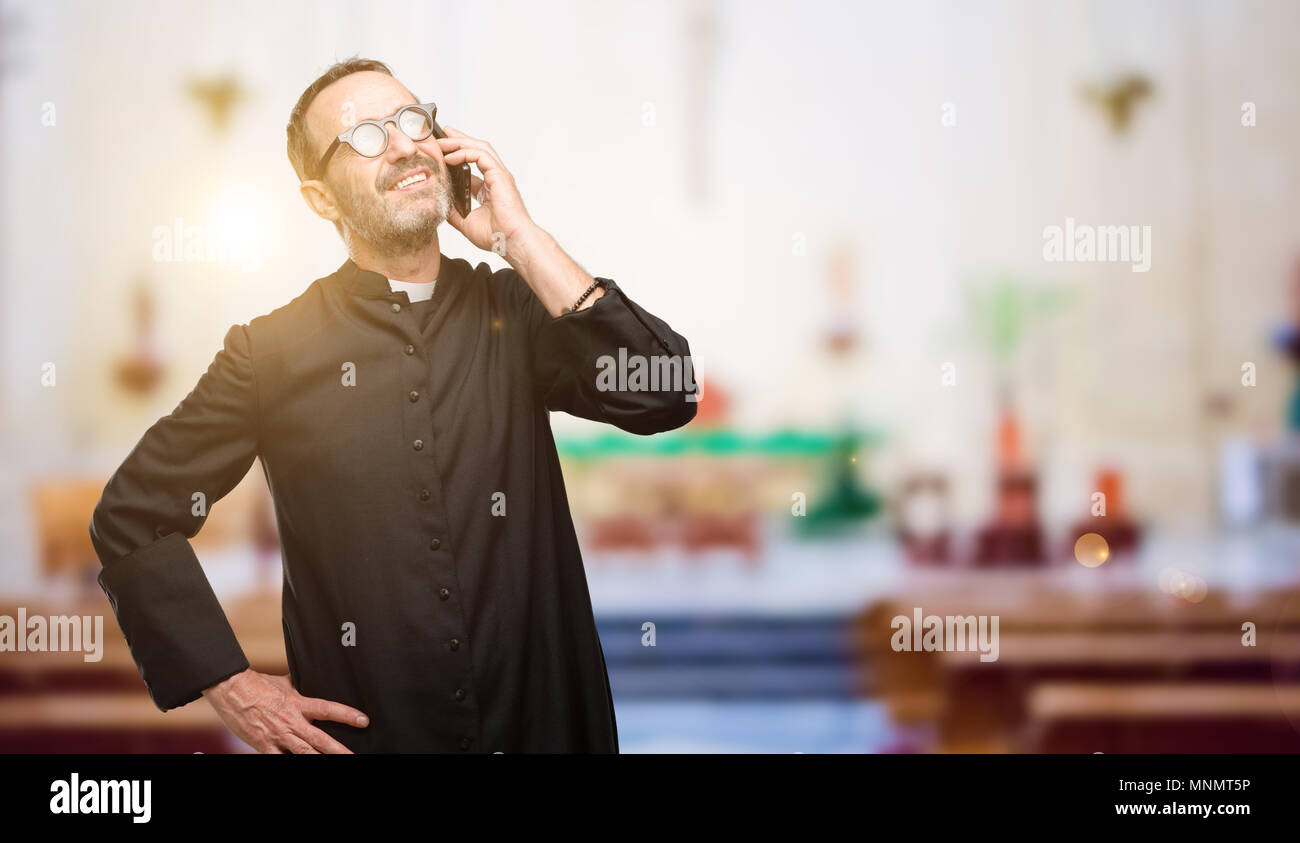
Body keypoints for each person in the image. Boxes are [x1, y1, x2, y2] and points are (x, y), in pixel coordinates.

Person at [88, 58, 698, 753]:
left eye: (414, 120)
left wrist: (520, 239)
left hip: (547, 729)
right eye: (367, 135)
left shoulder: (515, 313)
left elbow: (667, 390)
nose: (406, 143)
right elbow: (131, 518)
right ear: (321, 199)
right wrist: (231, 683)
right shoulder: (271, 352)